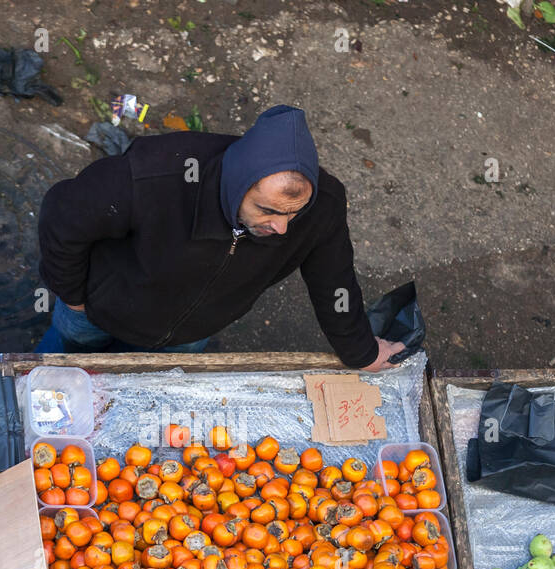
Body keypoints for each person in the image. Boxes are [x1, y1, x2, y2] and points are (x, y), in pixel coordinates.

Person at [36, 104, 404, 370]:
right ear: (237, 184)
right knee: (59, 365)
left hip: (189, 335)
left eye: (294, 213)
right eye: (268, 211)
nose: (282, 228)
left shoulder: (323, 204)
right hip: (99, 310)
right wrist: (72, 295)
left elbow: (334, 282)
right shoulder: (155, 175)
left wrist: (362, 352)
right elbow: (61, 214)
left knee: (139, 394)